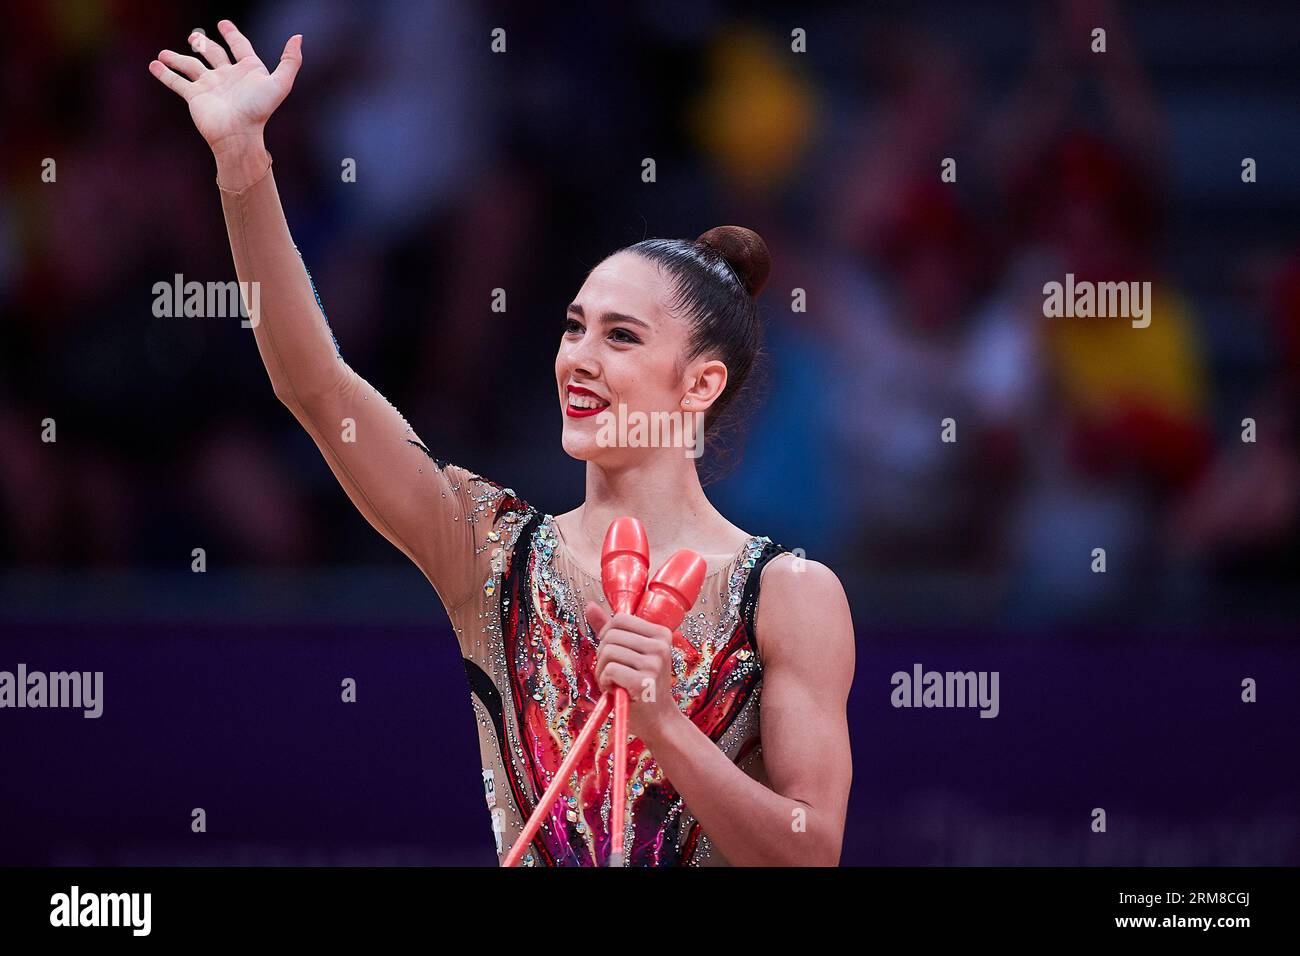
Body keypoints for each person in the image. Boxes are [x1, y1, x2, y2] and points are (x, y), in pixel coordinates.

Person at [149, 20, 854, 866]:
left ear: (700, 384)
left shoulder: (789, 596)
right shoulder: (490, 553)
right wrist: (244, 167)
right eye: (572, 327)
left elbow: (812, 852)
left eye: (621, 337)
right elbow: (316, 385)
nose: (579, 359)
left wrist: (667, 725)